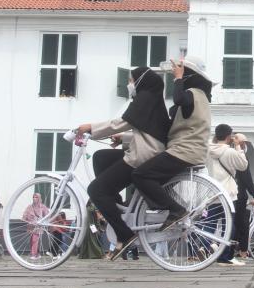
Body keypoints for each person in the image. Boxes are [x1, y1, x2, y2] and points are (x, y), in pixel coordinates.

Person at [77, 66, 171, 260]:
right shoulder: (152, 98)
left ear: (140, 80)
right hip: (145, 149)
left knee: (95, 191)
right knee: (101, 157)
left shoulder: (145, 97)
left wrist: (91, 128)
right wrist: (124, 139)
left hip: (143, 156)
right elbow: (147, 132)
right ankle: (117, 205)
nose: (129, 84)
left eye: (131, 80)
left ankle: (124, 234)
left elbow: (121, 122)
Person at [130, 56, 214, 252]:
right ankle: (170, 208)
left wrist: (178, 78)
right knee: (157, 184)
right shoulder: (201, 98)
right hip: (188, 151)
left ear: (188, 74)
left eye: (182, 71)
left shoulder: (192, 93)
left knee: (139, 175)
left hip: (183, 151)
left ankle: (176, 210)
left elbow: (178, 98)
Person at [208, 124, 248, 266]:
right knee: (229, 226)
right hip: (228, 193)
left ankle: (202, 246)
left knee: (209, 224)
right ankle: (225, 257)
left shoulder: (209, 149)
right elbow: (243, 165)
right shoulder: (229, 151)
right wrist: (238, 147)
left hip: (212, 191)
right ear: (228, 136)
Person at [233, 134, 254, 258]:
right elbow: (247, 180)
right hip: (238, 196)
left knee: (230, 223)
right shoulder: (241, 159)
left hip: (224, 194)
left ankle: (229, 251)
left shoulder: (225, 155)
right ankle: (242, 252)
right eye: (244, 143)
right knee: (242, 225)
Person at [22, 193, 50, 261]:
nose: (34, 198)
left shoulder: (43, 207)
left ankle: (33, 254)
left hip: (38, 226)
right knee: (32, 240)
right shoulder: (29, 206)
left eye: (36, 197)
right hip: (30, 226)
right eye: (33, 197)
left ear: (39, 198)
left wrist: (44, 222)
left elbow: (47, 215)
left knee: (35, 239)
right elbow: (25, 214)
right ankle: (37, 253)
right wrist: (24, 219)